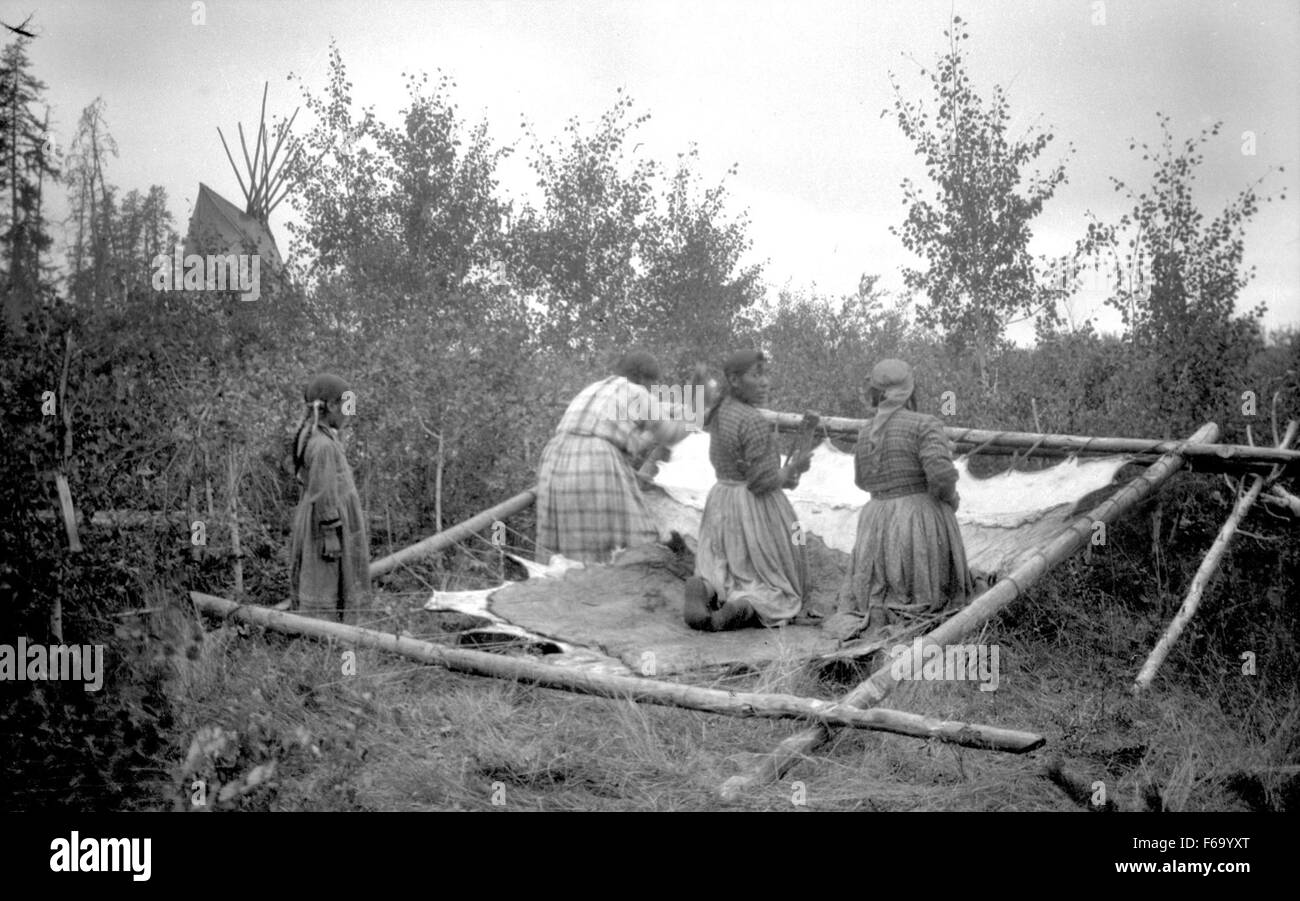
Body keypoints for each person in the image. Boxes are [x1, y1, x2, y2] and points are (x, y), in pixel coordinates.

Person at [831, 359, 972, 638]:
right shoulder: (925, 424)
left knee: (881, 587)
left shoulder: (866, 431)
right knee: (924, 592)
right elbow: (941, 475)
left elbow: (861, 481)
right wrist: (950, 499)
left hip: (876, 519)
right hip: (915, 517)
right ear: (909, 390)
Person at [683, 349, 813, 631]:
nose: (765, 382)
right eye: (757, 375)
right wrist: (793, 468)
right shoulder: (752, 420)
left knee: (720, 563)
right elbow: (762, 482)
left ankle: (703, 587)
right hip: (752, 507)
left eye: (765, 374)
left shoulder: (722, 410)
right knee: (773, 580)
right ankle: (744, 606)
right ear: (734, 380)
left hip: (722, 498)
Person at [535, 350, 689, 564]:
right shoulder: (640, 394)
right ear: (645, 379)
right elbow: (671, 435)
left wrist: (671, 410)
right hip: (595, 457)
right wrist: (689, 420)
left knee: (568, 535)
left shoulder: (596, 388)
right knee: (624, 534)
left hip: (554, 456)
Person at [289, 373, 370, 622]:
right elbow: (323, 492)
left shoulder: (319, 438)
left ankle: (330, 627)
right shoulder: (322, 445)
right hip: (326, 522)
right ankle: (325, 631)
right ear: (332, 406)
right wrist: (329, 533)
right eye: (346, 406)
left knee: (331, 574)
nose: (349, 413)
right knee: (325, 573)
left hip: (326, 518)